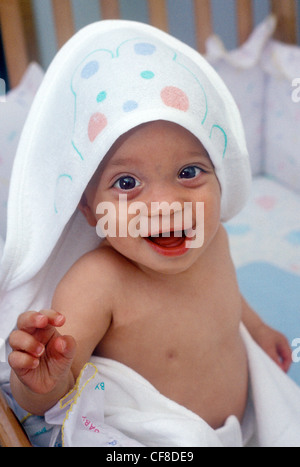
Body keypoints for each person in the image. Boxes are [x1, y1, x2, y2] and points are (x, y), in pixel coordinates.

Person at [4, 21, 297, 447]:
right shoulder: (98, 283)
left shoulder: (215, 241)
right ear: (87, 208)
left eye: (189, 172)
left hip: (243, 426)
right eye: (127, 184)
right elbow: (55, 389)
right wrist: (39, 379)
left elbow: (228, 298)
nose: (164, 205)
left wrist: (257, 327)